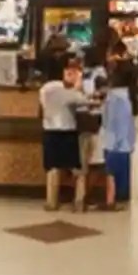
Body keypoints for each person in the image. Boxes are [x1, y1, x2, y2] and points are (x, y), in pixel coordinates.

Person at [40, 59, 88, 212]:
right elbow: (83, 100)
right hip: (67, 131)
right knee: (76, 169)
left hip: (49, 130)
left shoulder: (46, 89)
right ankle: (79, 202)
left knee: (52, 168)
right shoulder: (69, 93)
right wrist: (78, 85)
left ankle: (51, 202)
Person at [101, 61, 138, 211]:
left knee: (111, 172)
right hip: (124, 144)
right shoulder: (126, 96)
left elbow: (109, 121)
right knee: (120, 172)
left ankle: (111, 200)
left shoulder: (115, 97)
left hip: (114, 143)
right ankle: (118, 199)